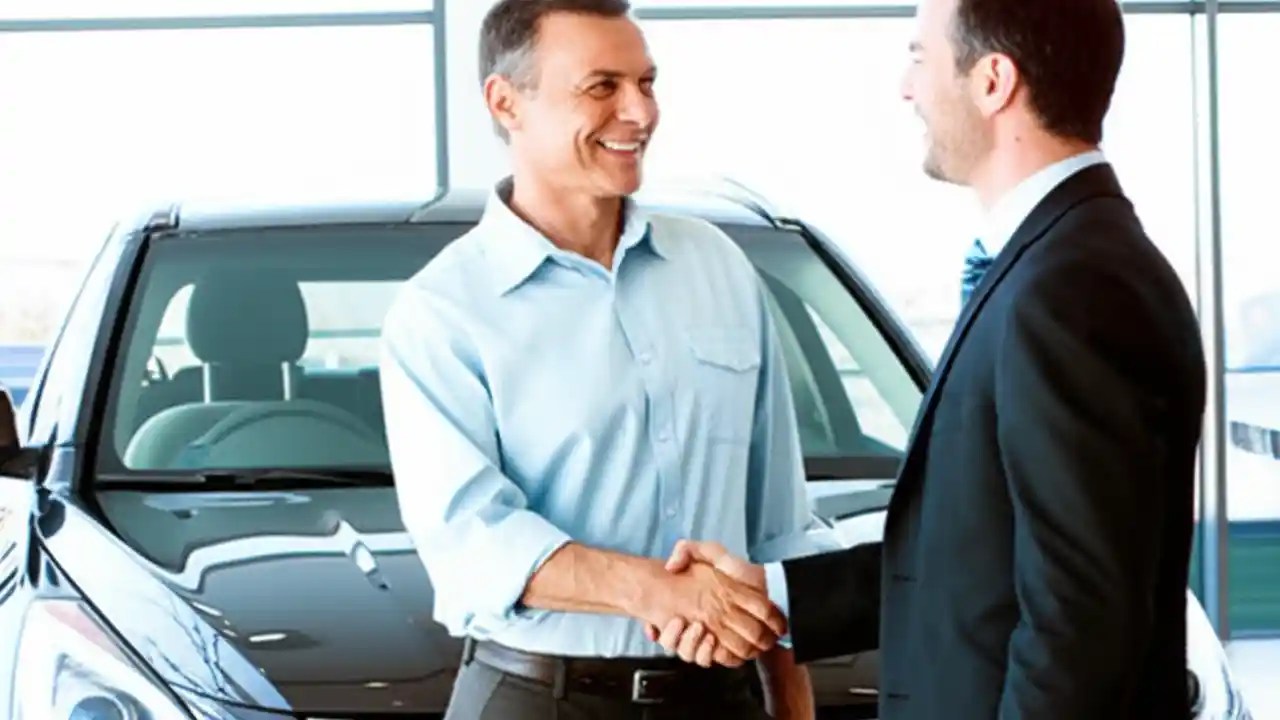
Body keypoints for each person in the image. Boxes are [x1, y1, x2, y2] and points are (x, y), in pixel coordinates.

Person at [649, 0, 1208, 717]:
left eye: (921, 56)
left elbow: (1080, 624)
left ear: (993, 81)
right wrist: (773, 593)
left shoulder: (1074, 287)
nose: (906, 88)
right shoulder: (1057, 262)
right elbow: (978, 556)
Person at [379, 1, 835, 717]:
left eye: (647, 83)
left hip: (724, 699)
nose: (640, 112)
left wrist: (792, 704)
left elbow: (778, 520)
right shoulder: (443, 309)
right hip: (541, 699)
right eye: (602, 87)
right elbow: (473, 538)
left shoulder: (718, 266)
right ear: (506, 103)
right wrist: (661, 590)